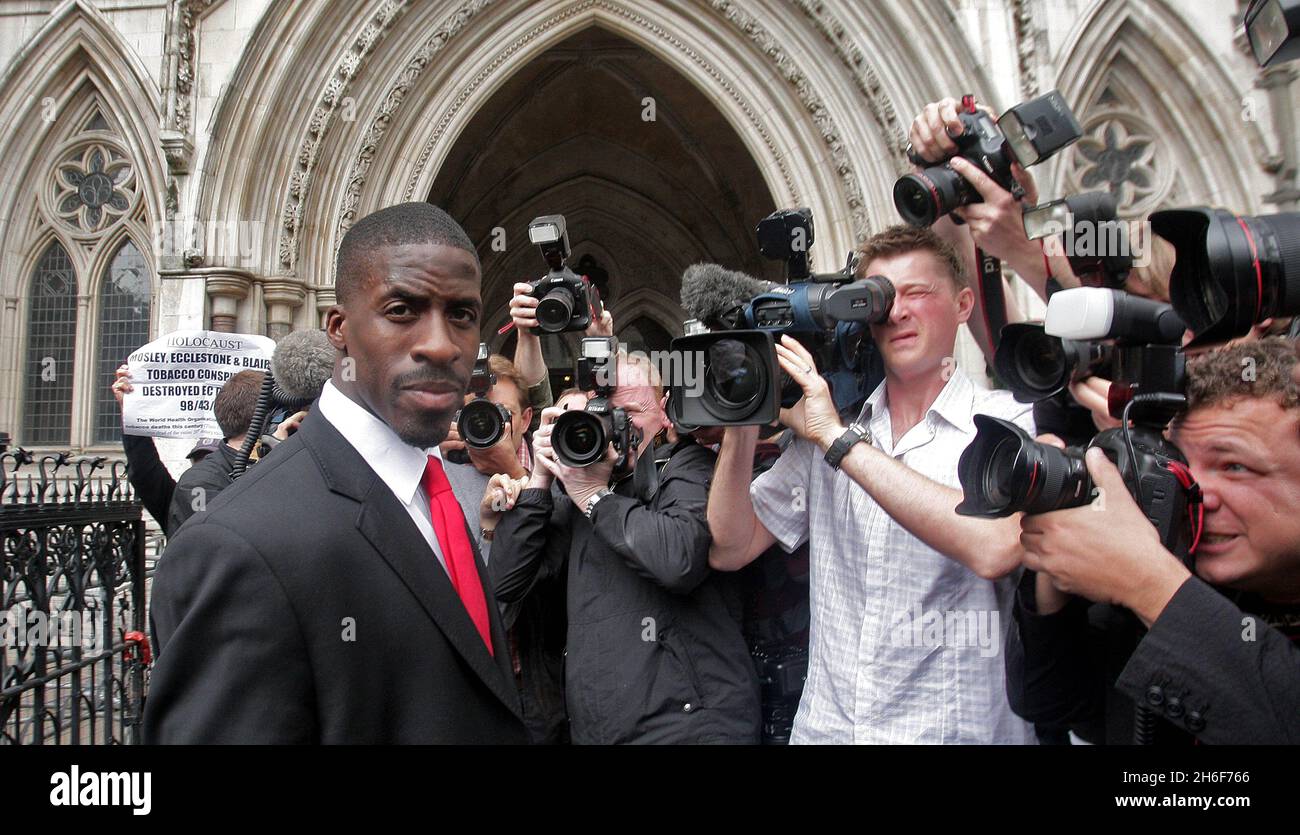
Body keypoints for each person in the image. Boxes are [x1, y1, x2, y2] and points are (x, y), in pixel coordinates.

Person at [144, 202, 527, 743]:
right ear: (339, 328)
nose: (441, 345)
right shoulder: (235, 546)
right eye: (402, 310)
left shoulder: (434, 491)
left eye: (462, 314)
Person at [708, 224, 1035, 744]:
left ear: (963, 304)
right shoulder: (831, 425)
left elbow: (995, 547)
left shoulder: (1009, 421)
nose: (897, 312)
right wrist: (746, 412)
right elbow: (731, 545)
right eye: (880, 298)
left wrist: (838, 441)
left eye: (917, 293)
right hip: (828, 732)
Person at [1011, 338, 1300, 744]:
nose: (1195, 493)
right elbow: (1055, 705)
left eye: (1234, 466)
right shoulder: (1183, 573)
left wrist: (1150, 586)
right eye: (1179, 462)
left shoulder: (1161, 582)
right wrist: (1057, 572)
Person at [491, 353, 760, 744]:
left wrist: (595, 496)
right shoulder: (579, 490)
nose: (618, 424)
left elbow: (679, 561)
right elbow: (506, 583)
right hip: (598, 731)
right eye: (605, 412)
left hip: (689, 729)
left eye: (631, 411)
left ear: (664, 414)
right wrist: (541, 480)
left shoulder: (687, 466)